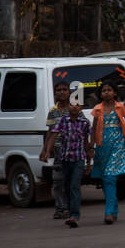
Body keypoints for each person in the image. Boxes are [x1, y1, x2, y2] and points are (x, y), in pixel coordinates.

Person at [41, 82, 92, 227]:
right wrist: (46, 150)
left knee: (74, 185)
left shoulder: (83, 121)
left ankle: (74, 215)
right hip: (62, 154)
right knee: (61, 182)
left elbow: (87, 140)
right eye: (59, 90)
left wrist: (89, 159)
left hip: (78, 157)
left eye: (64, 90)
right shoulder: (57, 115)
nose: (62, 92)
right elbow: (52, 132)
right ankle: (64, 209)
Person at [90, 80, 125, 224]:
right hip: (102, 148)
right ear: (101, 94)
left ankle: (108, 213)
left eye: (109, 90)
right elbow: (94, 129)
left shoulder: (120, 107)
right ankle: (114, 209)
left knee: (110, 177)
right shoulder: (97, 109)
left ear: (114, 92)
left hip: (117, 147)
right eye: (104, 90)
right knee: (105, 179)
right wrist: (91, 146)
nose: (106, 92)